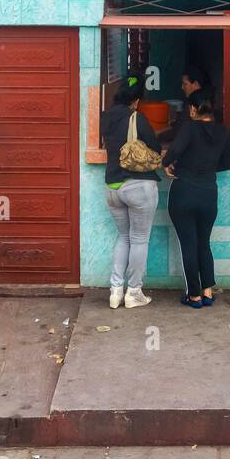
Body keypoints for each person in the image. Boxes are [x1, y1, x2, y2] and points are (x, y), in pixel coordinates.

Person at [162, 89, 230, 308]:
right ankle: (208, 291)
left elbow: (173, 152)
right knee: (204, 243)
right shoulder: (222, 132)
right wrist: (208, 168)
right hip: (208, 193)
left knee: (189, 244)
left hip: (184, 191)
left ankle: (194, 296)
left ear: (193, 109)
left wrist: (168, 164)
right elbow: (228, 163)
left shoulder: (189, 129)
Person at [101, 75, 161, 309]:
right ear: (135, 100)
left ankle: (115, 291)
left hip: (113, 187)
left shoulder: (106, 118)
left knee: (123, 237)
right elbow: (154, 147)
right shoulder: (137, 118)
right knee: (139, 239)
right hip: (138, 186)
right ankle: (134, 292)